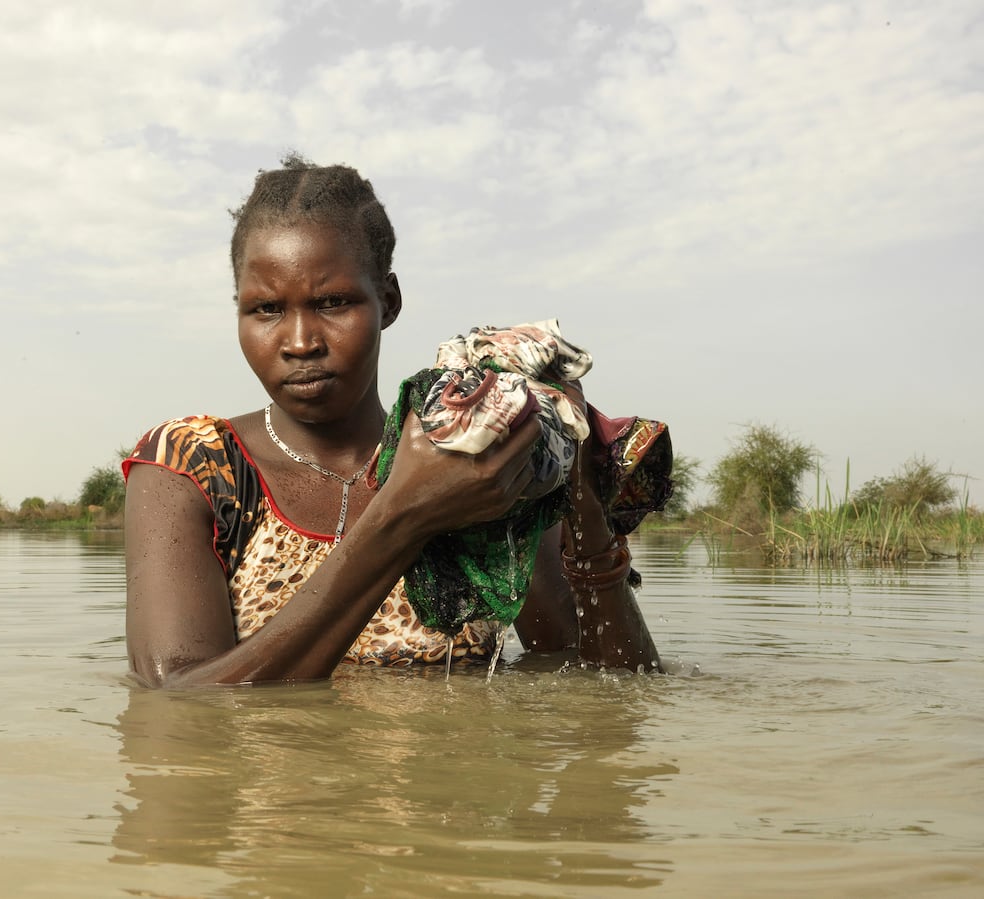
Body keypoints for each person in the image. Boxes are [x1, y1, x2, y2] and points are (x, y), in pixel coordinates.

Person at [122, 155, 662, 687]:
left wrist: (582, 496)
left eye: (333, 302)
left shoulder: (470, 462)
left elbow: (602, 690)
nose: (300, 341)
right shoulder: (193, 466)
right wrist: (406, 515)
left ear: (389, 300)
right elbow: (179, 701)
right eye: (265, 309)